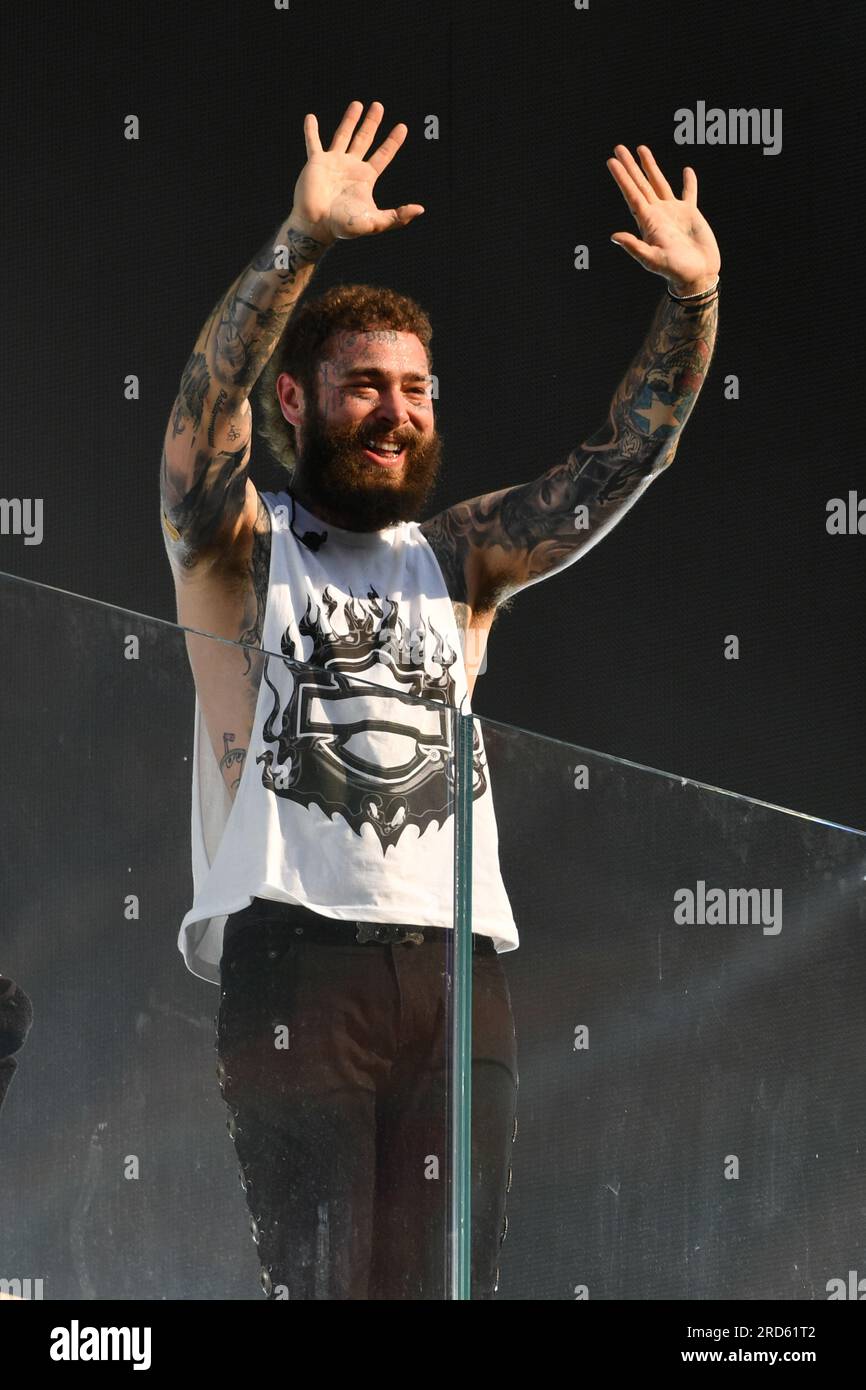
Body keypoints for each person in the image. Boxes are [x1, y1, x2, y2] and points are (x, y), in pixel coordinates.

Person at [159, 99, 721, 1299]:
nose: (397, 411)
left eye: (416, 390)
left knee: (448, 1290)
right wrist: (298, 246)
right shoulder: (241, 550)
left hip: (461, 968)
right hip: (294, 954)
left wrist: (693, 302)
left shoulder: (459, 559)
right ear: (299, 404)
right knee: (326, 1288)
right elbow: (199, 427)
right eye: (363, 386)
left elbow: (623, 462)